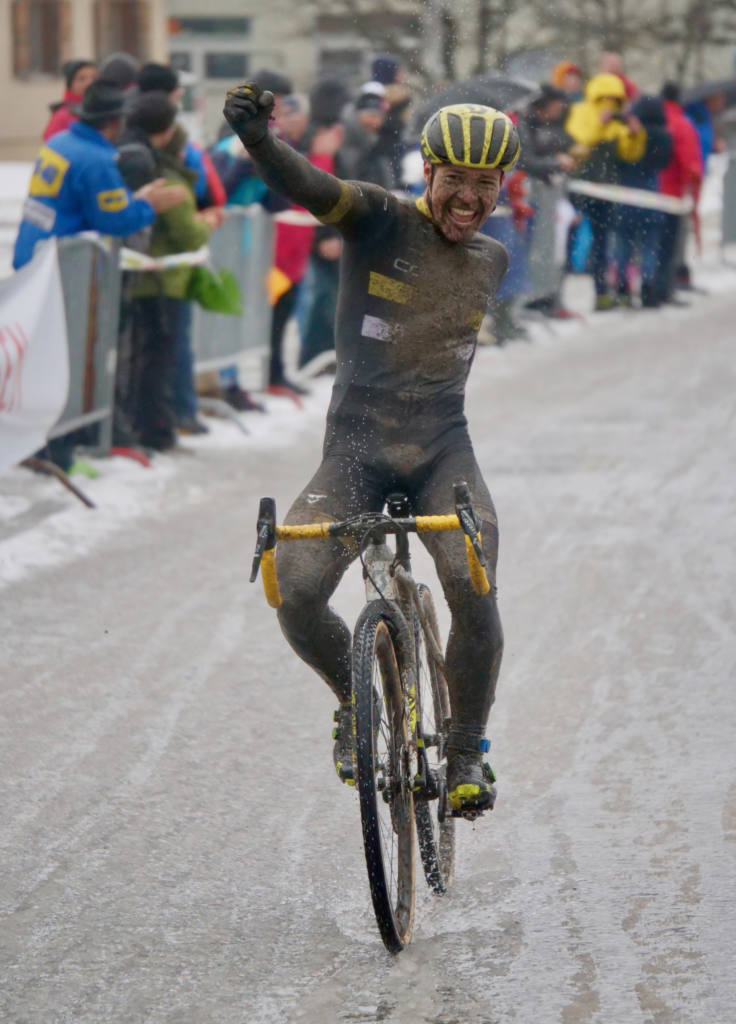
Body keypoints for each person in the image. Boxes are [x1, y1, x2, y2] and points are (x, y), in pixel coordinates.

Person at [223, 83, 520, 815]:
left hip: (442, 453)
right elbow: (315, 188)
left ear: (501, 188)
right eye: (455, 180)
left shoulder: (492, 260)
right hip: (354, 453)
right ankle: (356, 702)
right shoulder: (379, 219)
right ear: (428, 171)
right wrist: (261, 142)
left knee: (473, 587)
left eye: (485, 186)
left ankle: (464, 753)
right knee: (293, 591)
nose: (467, 198)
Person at [118, 91, 223, 449]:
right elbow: (188, 234)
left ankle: (148, 425)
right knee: (155, 363)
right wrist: (207, 222)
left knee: (149, 360)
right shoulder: (171, 181)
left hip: (156, 280)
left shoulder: (158, 171)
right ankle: (155, 430)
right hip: (161, 283)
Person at [13, 79, 184, 271]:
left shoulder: (58, 143)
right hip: (63, 268)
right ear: (114, 122)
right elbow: (115, 221)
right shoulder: (96, 161)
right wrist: (148, 205)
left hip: (31, 253)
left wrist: (134, 199)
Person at [565, 73, 647, 310]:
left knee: (603, 242)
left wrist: (634, 133)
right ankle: (559, 292)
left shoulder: (620, 119)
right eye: (606, 98)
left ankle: (601, 291)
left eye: (615, 99)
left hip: (608, 190)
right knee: (571, 239)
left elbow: (630, 154)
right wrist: (600, 126)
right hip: (580, 187)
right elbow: (578, 144)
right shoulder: (581, 111)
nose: (610, 104)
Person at [43, 59, 97, 140]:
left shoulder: (104, 110)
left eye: (94, 78)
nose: (89, 83)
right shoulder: (63, 115)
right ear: (70, 84)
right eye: (81, 79)